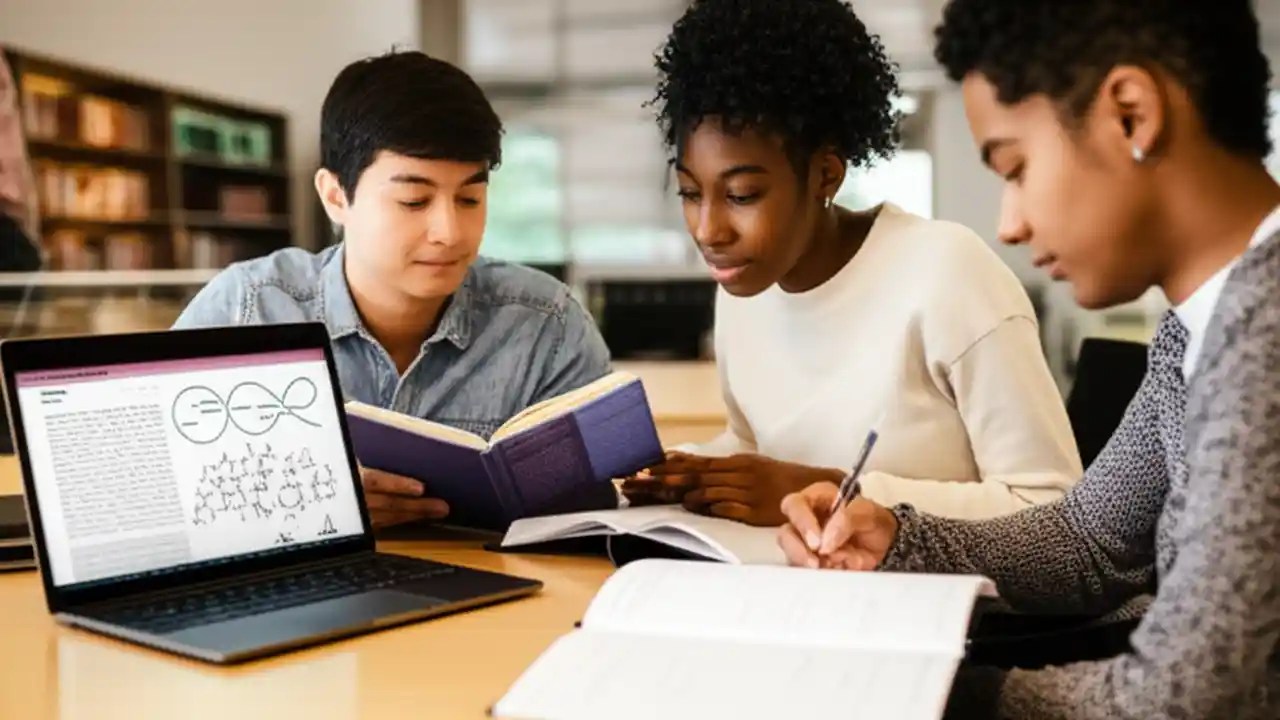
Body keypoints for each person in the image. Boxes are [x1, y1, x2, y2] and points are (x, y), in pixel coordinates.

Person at [778, 0, 1280, 717]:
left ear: (1131, 116)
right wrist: (897, 539)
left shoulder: (1265, 343)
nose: (1008, 223)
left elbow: (1190, 696)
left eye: (1015, 169)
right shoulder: (1196, 329)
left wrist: (905, 690)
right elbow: (1091, 544)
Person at [623, 0, 1081, 527]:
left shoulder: (947, 273)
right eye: (688, 192)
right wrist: (695, 470)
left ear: (825, 175)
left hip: (929, 602)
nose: (708, 230)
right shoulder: (742, 290)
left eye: (743, 195)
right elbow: (755, 446)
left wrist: (839, 492)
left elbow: (1051, 508)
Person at [174, 51, 611, 528]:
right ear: (336, 196)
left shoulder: (548, 325)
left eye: (470, 198)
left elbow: (593, 515)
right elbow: (157, 489)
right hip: (304, 590)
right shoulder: (247, 308)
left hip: (506, 593)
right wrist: (307, 499)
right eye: (414, 200)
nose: (449, 231)